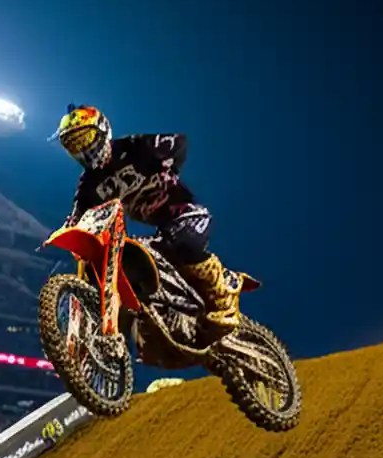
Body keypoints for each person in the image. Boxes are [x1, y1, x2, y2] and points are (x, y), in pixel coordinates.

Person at [50, 104, 240, 343]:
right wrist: (70, 229)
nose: (83, 149)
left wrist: (168, 165)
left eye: (85, 138)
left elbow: (178, 142)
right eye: (74, 145)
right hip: (160, 229)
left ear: (102, 130)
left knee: (183, 241)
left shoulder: (134, 147)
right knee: (131, 257)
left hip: (186, 213)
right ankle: (135, 331)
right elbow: (78, 216)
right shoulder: (89, 184)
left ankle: (223, 305)